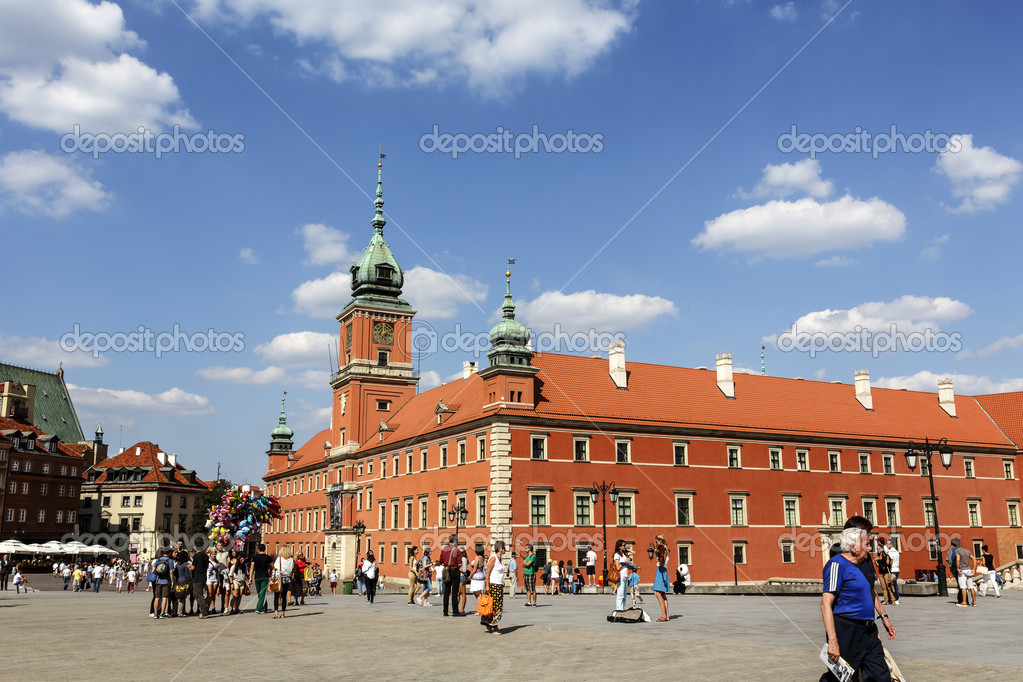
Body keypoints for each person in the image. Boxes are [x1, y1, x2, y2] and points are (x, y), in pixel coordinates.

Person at [820, 526, 895, 681]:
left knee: (881, 676)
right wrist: (833, 641)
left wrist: (884, 618)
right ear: (853, 547)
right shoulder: (836, 565)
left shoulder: (862, 565)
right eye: (866, 544)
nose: (869, 547)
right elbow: (825, 604)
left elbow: (871, 592)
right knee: (841, 678)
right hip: (847, 630)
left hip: (869, 630)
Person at [481, 540, 506, 634]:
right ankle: (494, 626)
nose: (505, 550)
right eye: (504, 548)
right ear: (500, 549)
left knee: (499, 605)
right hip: (493, 585)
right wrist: (487, 585)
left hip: (499, 585)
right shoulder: (493, 558)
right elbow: (487, 573)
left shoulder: (501, 559)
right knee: (495, 606)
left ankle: (490, 623)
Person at [439, 534, 463, 616]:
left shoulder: (443, 550)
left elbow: (440, 562)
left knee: (446, 591)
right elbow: (460, 563)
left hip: (447, 571)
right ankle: (455, 611)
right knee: (455, 592)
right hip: (455, 571)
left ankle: (445, 611)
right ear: (455, 541)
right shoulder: (457, 550)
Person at [952, 539, 976, 607]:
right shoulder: (967, 551)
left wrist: (958, 568)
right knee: (971, 586)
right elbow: (974, 559)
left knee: (963, 587)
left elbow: (958, 560)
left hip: (962, 571)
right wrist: (973, 569)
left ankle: (964, 602)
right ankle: (974, 602)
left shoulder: (957, 552)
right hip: (968, 570)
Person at [151, 548, 175, 619]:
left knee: (157, 598)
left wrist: (158, 573)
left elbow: (153, 570)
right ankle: (162, 614)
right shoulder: (170, 561)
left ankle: (155, 614)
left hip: (158, 581)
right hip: (166, 581)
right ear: (169, 553)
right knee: (164, 598)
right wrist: (172, 581)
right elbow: (171, 572)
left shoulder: (158, 560)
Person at [652, 534, 670, 621]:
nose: (656, 543)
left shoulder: (663, 550)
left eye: (656, 541)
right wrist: (658, 554)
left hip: (661, 571)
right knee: (663, 594)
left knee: (658, 594)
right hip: (664, 571)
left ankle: (663, 616)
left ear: (660, 541)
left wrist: (659, 558)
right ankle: (667, 615)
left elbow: (662, 563)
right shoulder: (665, 549)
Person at [272, 546, 294, 619]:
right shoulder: (291, 559)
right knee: (284, 596)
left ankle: (276, 613)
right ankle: (283, 613)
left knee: (276, 596)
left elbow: (276, 569)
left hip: (280, 578)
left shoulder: (279, 559)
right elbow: (291, 569)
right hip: (287, 578)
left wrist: (273, 576)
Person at [250, 543, 272, 614]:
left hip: (257, 576)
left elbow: (251, 568)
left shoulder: (255, 557)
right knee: (262, 593)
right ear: (264, 549)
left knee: (260, 593)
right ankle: (264, 608)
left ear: (258, 549)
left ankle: (258, 608)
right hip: (265, 576)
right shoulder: (268, 557)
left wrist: (250, 577)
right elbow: (272, 566)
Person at [612, 539, 631, 611]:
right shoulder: (616, 555)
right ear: (619, 546)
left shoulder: (623, 554)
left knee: (624, 595)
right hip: (621, 576)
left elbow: (634, 552)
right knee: (620, 594)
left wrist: (627, 550)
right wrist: (625, 562)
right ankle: (619, 610)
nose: (624, 547)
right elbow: (618, 567)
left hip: (625, 576)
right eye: (623, 545)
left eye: (625, 545)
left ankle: (622, 609)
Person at [875, 538, 894, 606]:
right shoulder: (878, 554)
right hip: (881, 572)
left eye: (879, 549)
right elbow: (878, 564)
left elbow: (888, 562)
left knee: (888, 586)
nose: (878, 550)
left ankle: (892, 600)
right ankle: (886, 600)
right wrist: (876, 561)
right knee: (883, 587)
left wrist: (885, 558)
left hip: (886, 572)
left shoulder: (886, 553)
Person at [173, 549, 192, 616]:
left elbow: (175, 574)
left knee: (177, 597)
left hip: (178, 581)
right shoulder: (185, 565)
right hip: (184, 581)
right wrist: (189, 583)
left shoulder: (177, 564)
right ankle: (180, 612)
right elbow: (187, 575)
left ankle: (174, 611)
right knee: (182, 598)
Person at [884, 540, 901, 604]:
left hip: (893, 570)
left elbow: (890, 559)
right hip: (897, 569)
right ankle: (895, 598)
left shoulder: (891, 552)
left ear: (891, 545)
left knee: (893, 585)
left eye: (888, 544)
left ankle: (896, 598)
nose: (887, 545)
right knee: (894, 584)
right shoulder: (896, 552)